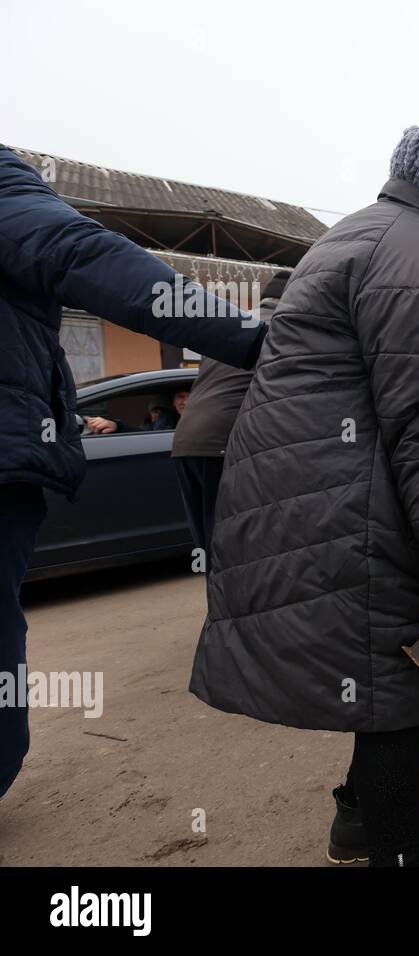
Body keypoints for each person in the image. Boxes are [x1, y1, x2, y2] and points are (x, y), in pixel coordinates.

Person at [189, 122, 419, 866]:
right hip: (356, 505)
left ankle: (360, 822)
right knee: (398, 685)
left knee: (376, 666)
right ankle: (397, 852)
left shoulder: (352, 236)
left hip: (319, 494)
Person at [0, 145, 266, 800]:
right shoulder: (8, 186)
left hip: (187, 451)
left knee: (211, 549)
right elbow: (89, 258)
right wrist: (257, 338)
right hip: (206, 451)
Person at [170, 271, 291, 554]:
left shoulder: (233, 321)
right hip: (226, 444)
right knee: (239, 550)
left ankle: (218, 597)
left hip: (187, 442)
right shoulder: (284, 326)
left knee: (210, 544)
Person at [84, 388, 188, 434]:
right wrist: (116, 426)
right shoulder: (165, 422)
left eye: (191, 396)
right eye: (181, 397)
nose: (186, 402)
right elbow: (146, 435)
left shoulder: (203, 423)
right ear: (173, 402)